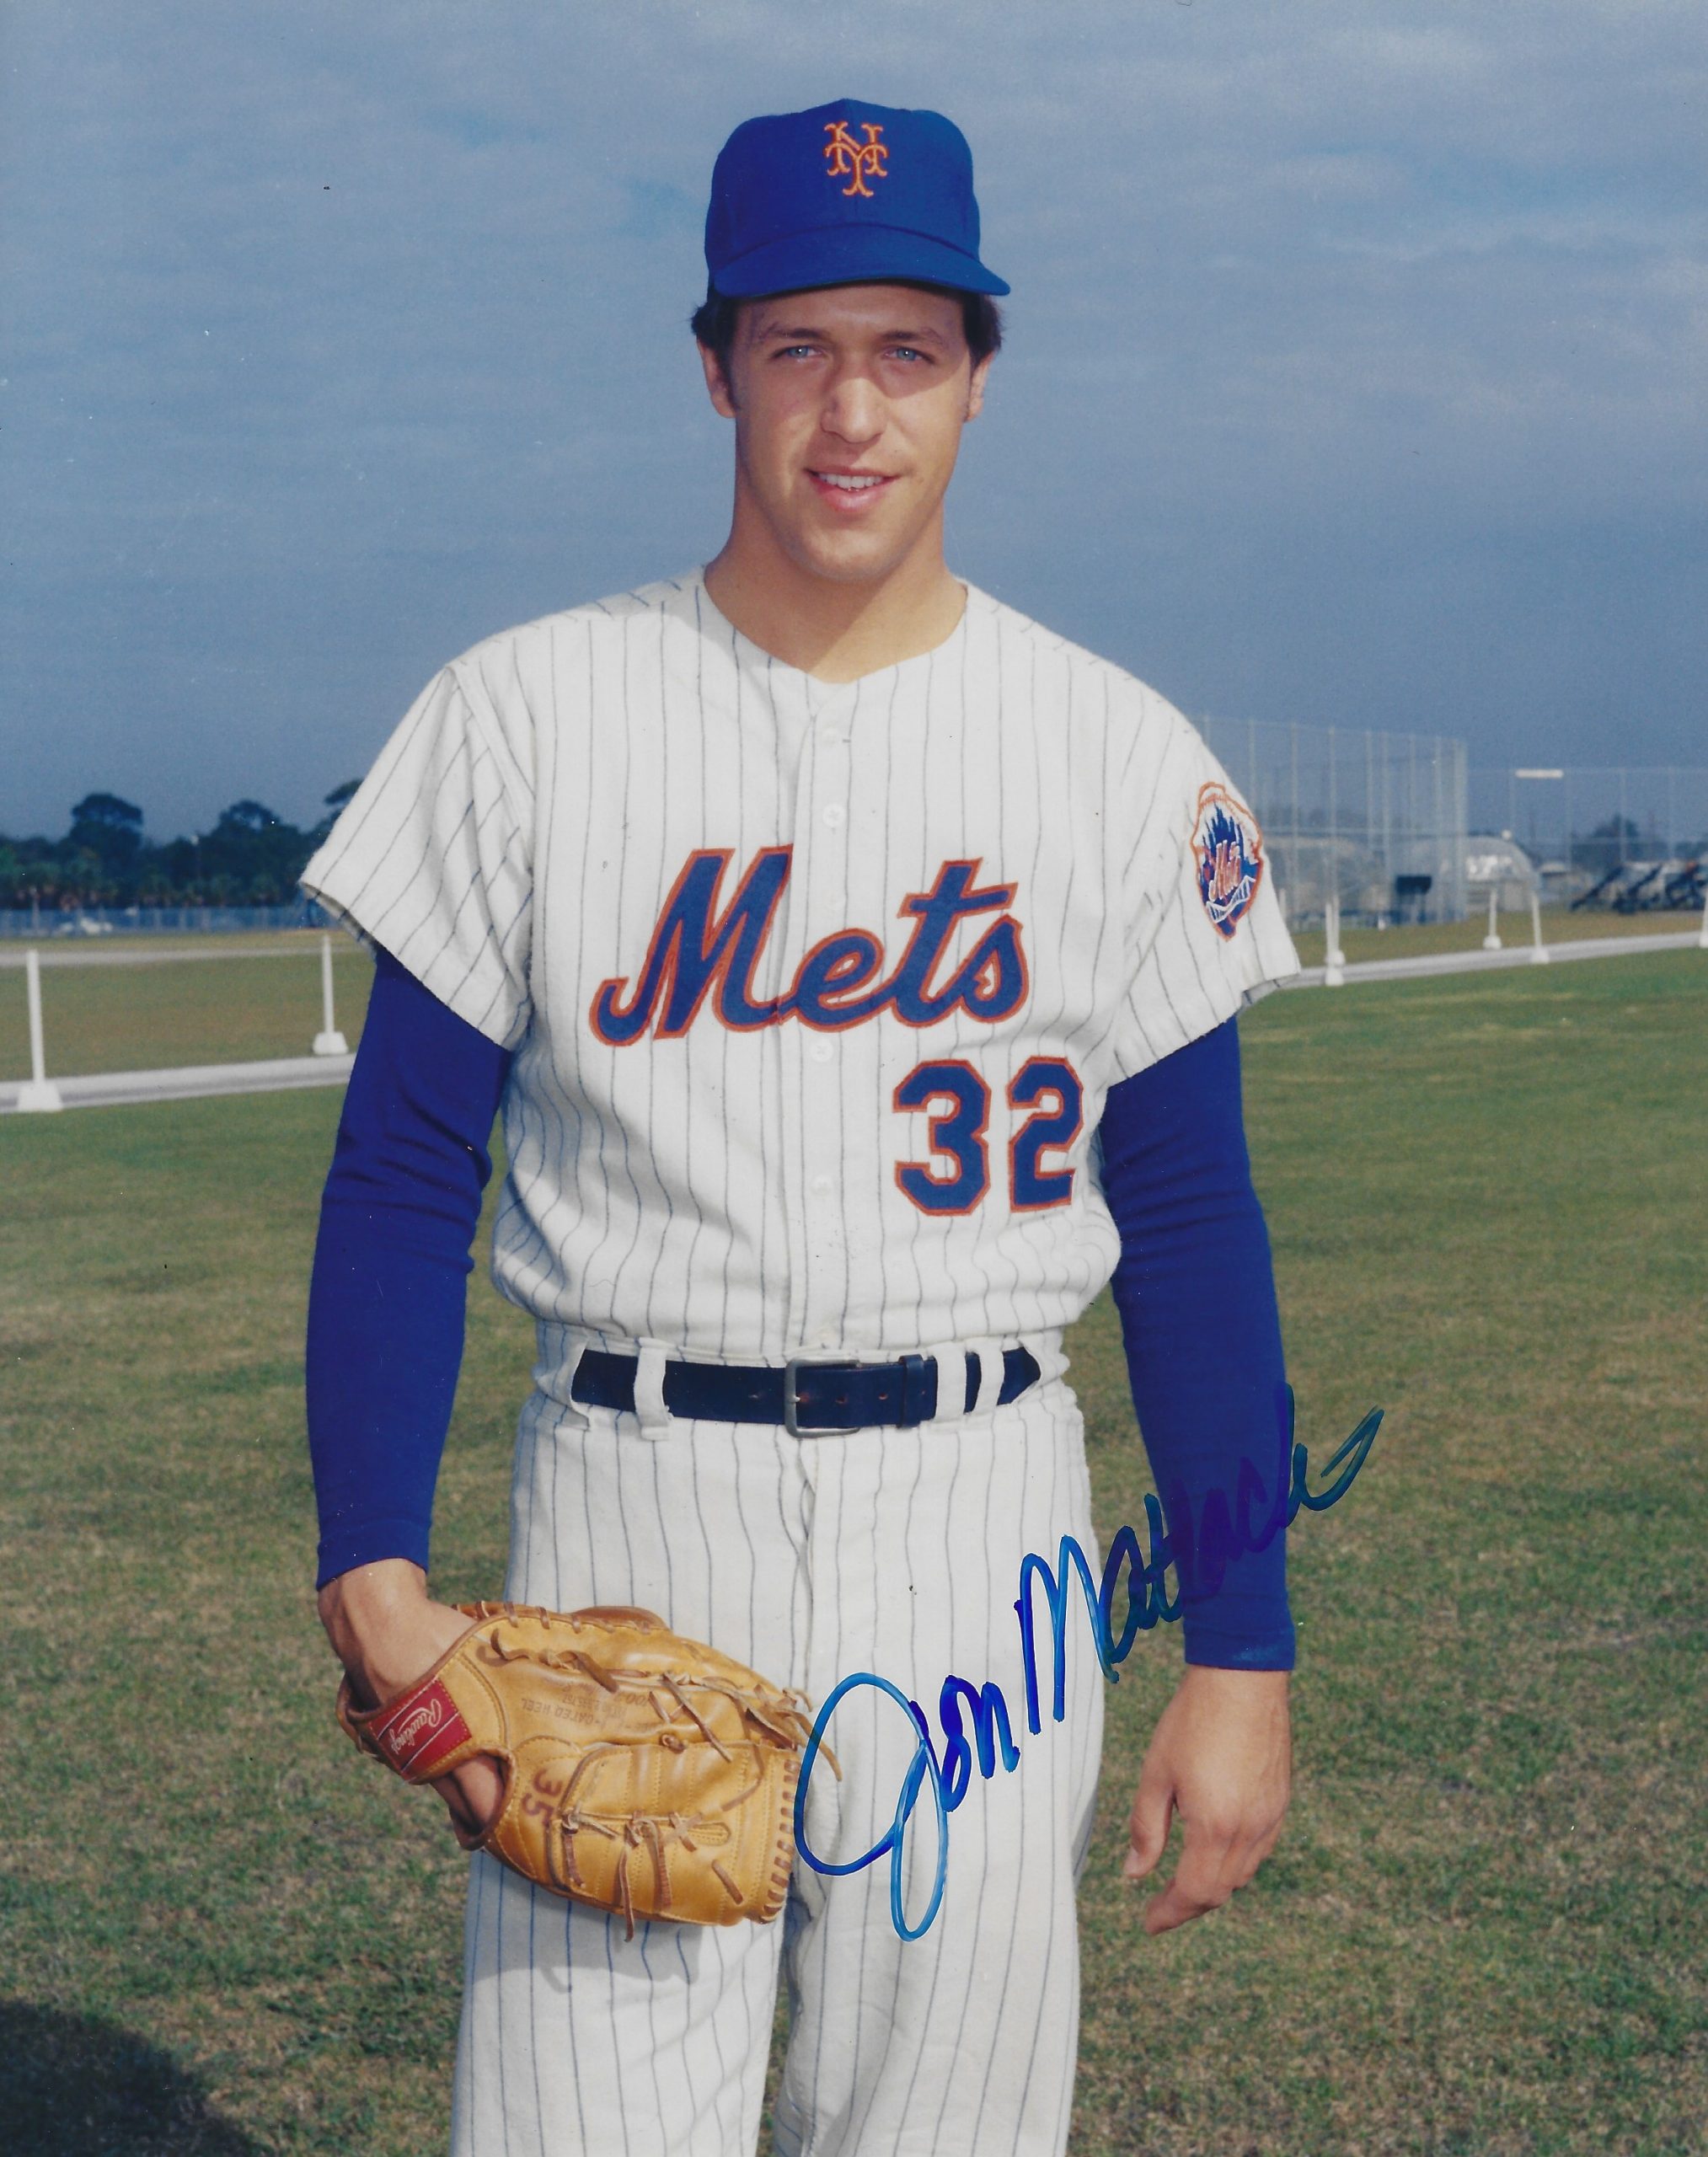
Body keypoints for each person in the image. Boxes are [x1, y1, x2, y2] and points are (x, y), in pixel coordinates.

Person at [303, 96, 1300, 2157]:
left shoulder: (1113, 752)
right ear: (714, 363)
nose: (854, 411)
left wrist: (1245, 1650)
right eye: (797, 347)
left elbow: (1190, 1210)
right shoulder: (528, 714)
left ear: (980, 375)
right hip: (626, 1531)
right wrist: (372, 1576)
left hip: (984, 1527)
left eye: (908, 350)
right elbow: (405, 1163)